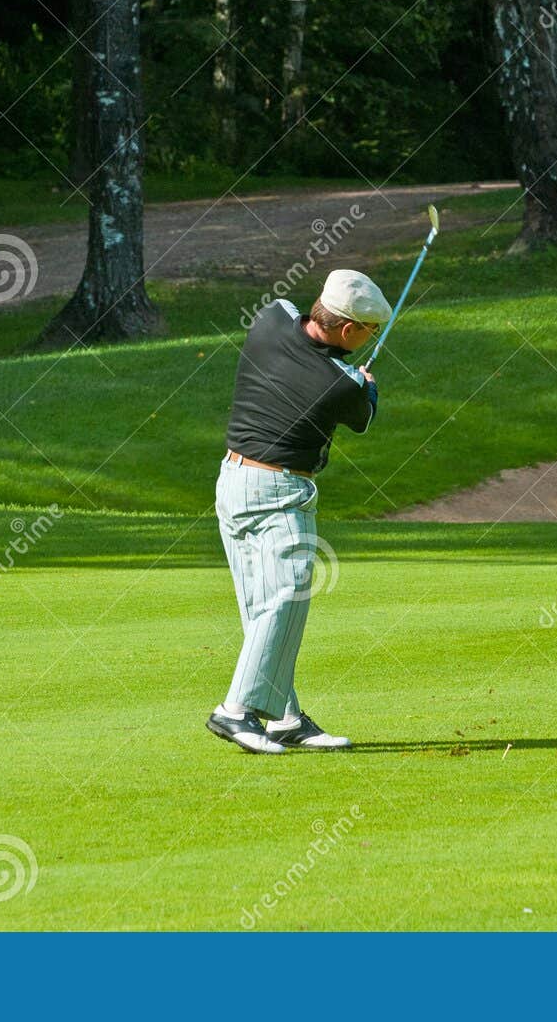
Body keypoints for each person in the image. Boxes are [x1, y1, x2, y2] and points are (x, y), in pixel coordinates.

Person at [207, 269, 389, 754]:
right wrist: (365, 380)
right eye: (370, 331)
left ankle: (284, 717)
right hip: (279, 490)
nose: (371, 338)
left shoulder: (270, 318)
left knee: (261, 607)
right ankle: (235, 712)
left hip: (232, 482)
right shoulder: (342, 385)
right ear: (349, 331)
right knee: (286, 595)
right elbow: (365, 415)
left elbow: (298, 328)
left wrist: (345, 369)